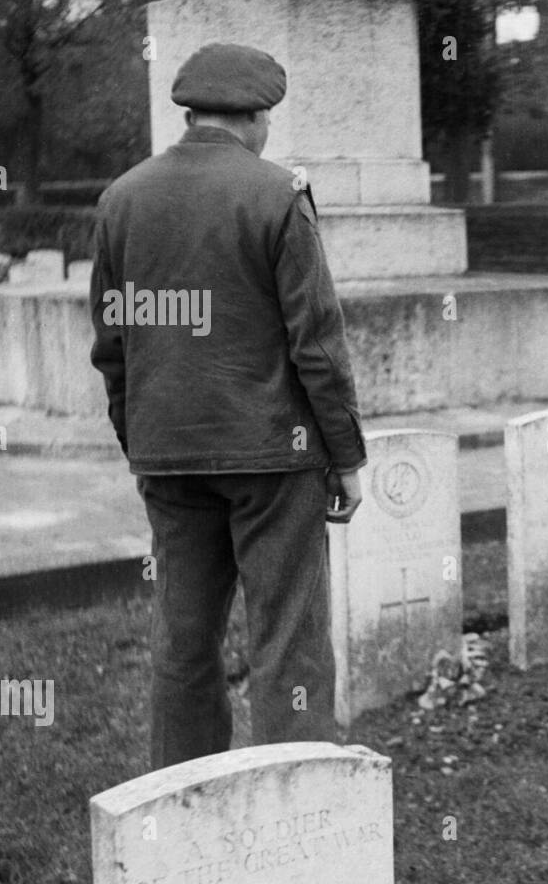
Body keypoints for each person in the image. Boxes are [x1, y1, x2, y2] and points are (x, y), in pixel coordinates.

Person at [90, 41, 367, 770]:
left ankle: (180, 808)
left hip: (167, 453)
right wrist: (348, 456)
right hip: (275, 456)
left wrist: (140, 440)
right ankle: (297, 813)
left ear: (191, 113)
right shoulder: (277, 194)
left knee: (182, 643)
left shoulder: (121, 199)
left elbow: (111, 344)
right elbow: (317, 343)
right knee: (288, 641)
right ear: (256, 117)